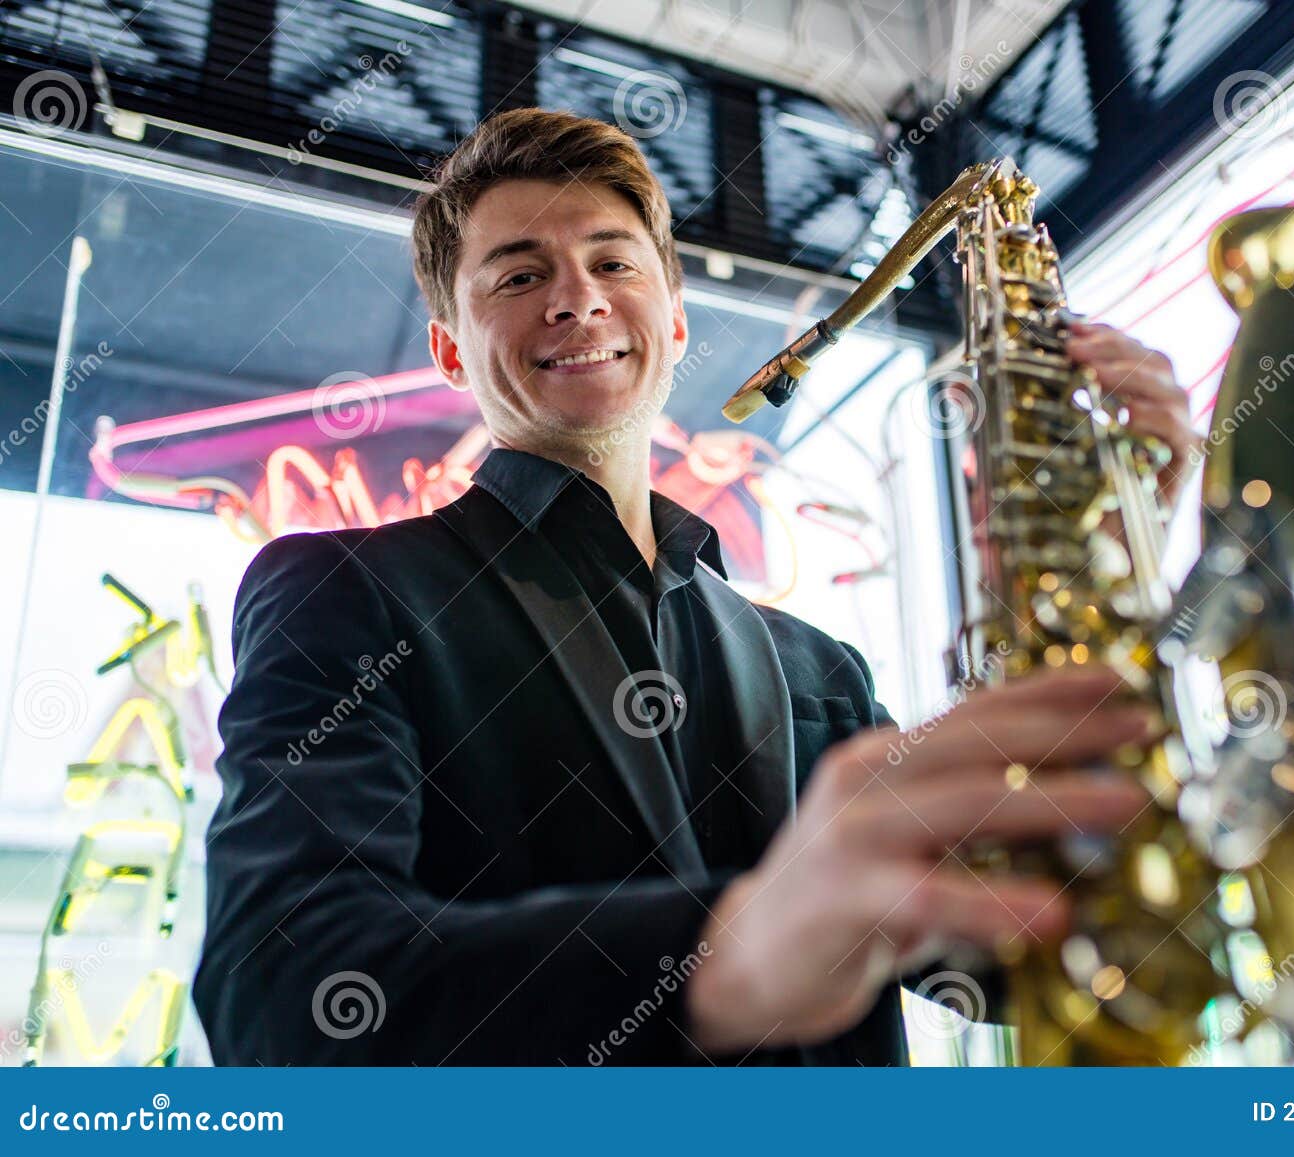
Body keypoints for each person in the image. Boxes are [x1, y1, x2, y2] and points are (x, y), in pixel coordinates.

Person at [194, 108, 1196, 1065]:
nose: (576, 297)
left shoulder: (822, 668)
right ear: (451, 348)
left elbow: (1012, 950)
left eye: (613, 262)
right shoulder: (340, 589)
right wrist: (729, 952)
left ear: (673, 321)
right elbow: (283, 994)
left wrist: (1119, 566)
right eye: (518, 274)